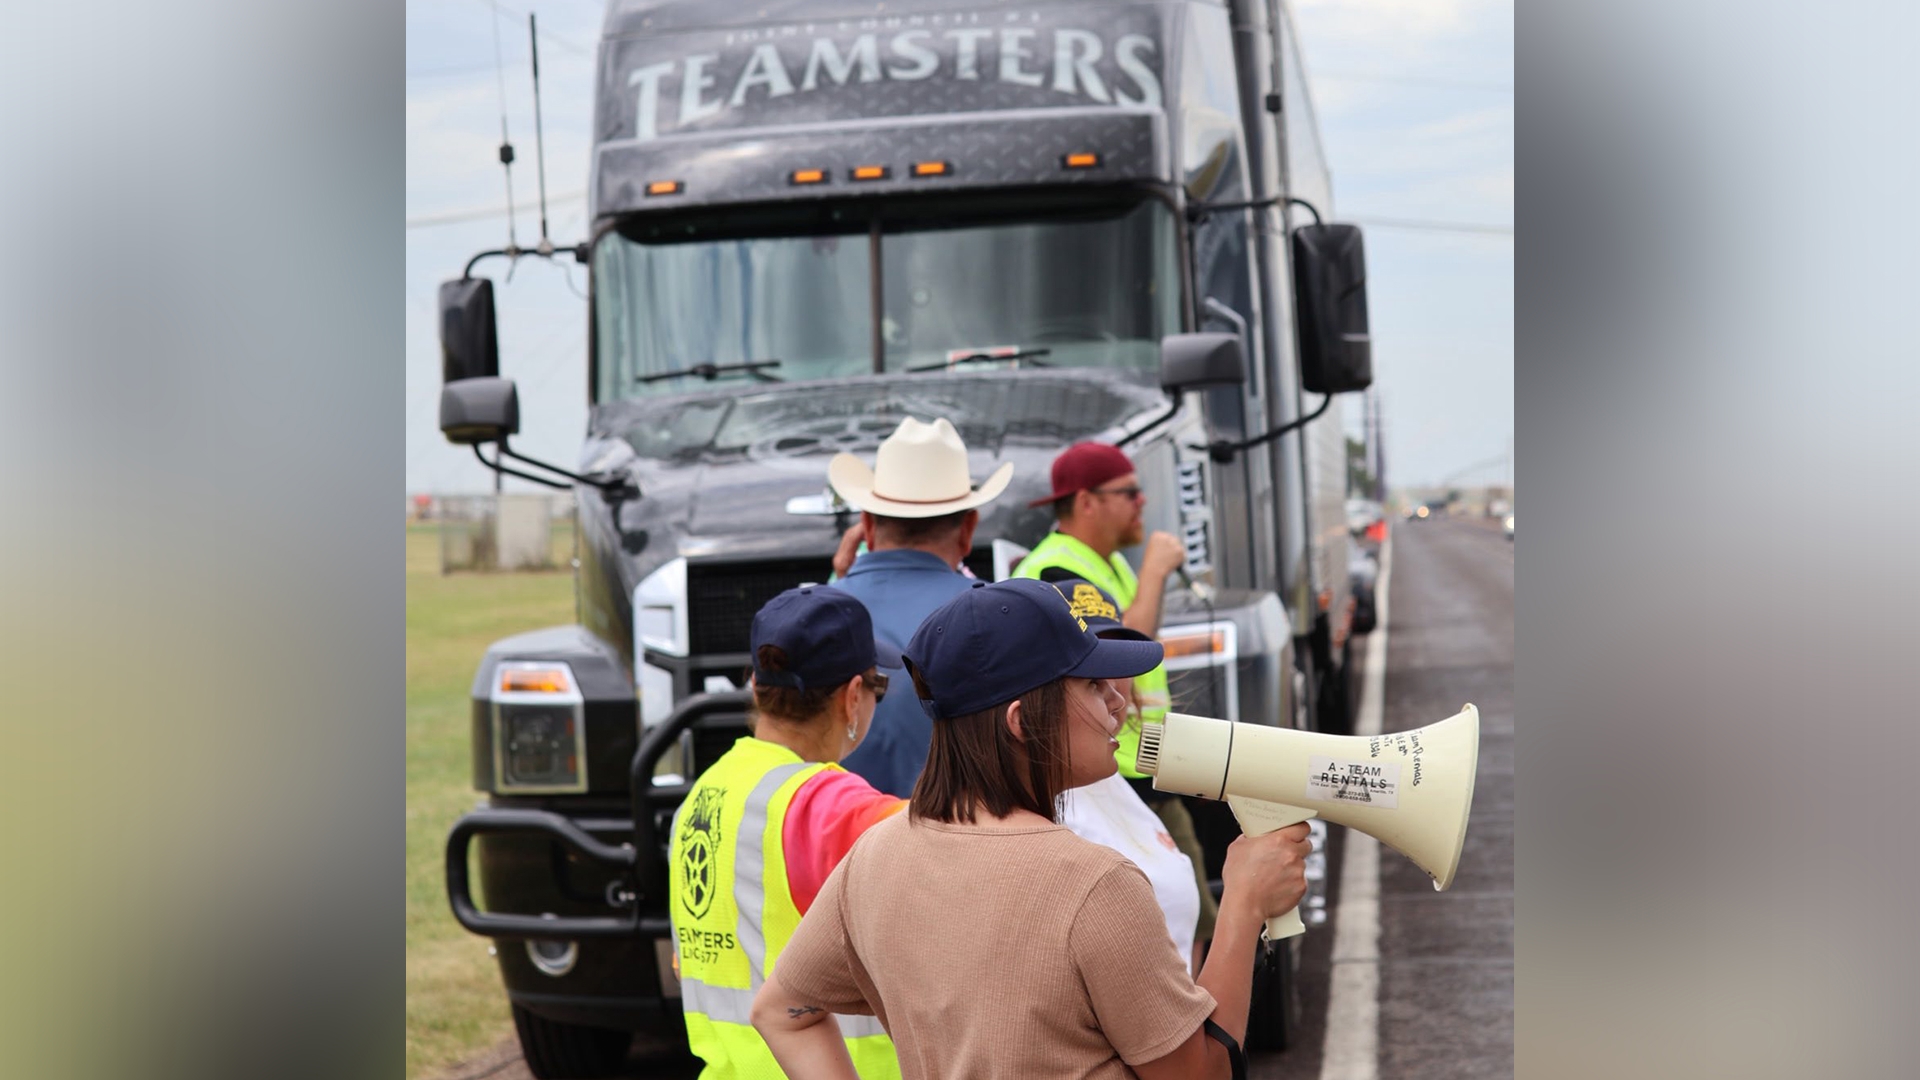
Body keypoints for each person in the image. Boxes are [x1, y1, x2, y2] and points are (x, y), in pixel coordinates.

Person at [750, 579, 1312, 1080]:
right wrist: (1244, 903)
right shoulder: (1096, 884)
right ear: (1021, 722)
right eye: (1090, 685)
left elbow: (780, 1011)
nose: (1117, 700)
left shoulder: (875, 855)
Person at [669, 585, 909, 1080]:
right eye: (877, 689)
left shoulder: (703, 797)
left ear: (756, 686)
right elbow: (956, 841)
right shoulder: (826, 804)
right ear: (852, 697)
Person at [1014, 440, 1219, 948]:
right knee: (1179, 919)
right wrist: (1155, 572)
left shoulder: (1105, 562)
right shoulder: (1058, 569)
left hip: (1134, 762)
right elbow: (1109, 657)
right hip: (1106, 772)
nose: (1142, 502)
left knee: (1186, 914)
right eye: (1129, 492)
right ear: (1087, 501)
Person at [823, 416, 1013, 798]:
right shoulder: (1001, 616)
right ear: (968, 528)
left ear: (867, 526)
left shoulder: (820, 615)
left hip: (838, 834)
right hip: (960, 830)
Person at [1052, 577, 1205, 973]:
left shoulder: (1105, 776)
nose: (1115, 690)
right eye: (1090, 672)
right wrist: (1245, 902)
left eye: (1117, 662)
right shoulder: (1052, 812)